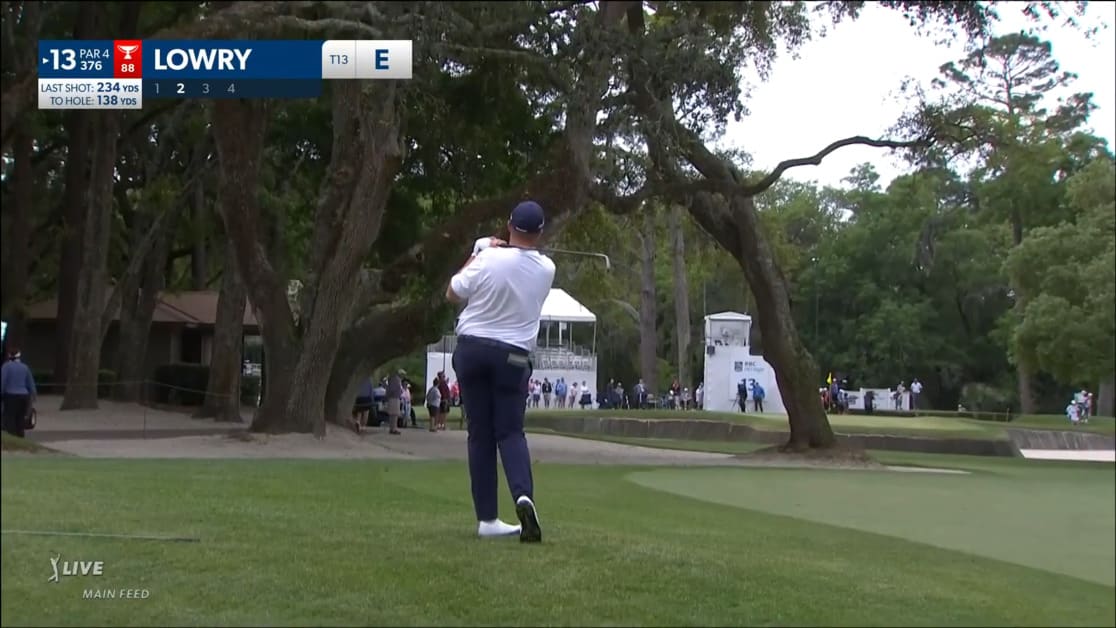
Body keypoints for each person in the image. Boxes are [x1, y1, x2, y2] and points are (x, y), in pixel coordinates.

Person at [445, 200, 553, 542]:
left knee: (480, 435)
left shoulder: (488, 257)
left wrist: (478, 252)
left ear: (509, 225)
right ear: (539, 233)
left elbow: (453, 291)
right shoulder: (547, 268)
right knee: (510, 432)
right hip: (514, 357)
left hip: (473, 349)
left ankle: (488, 520)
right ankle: (523, 496)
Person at [1, 346, 37, 438]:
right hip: (23, 396)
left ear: (9, 356)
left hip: (10, 396)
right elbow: (30, 383)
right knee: (20, 418)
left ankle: (11, 437)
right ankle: (20, 436)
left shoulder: (6, 367)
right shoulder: (25, 367)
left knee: (10, 418)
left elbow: (2, 381)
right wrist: (33, 395)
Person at [384, 370, 404, 435]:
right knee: (394, 414)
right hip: (394, 398)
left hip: (394, 398)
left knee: (393, 414)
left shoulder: (393, 380)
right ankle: (394, 428)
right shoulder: (395, 380)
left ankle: (392, 428)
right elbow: (392, 389)